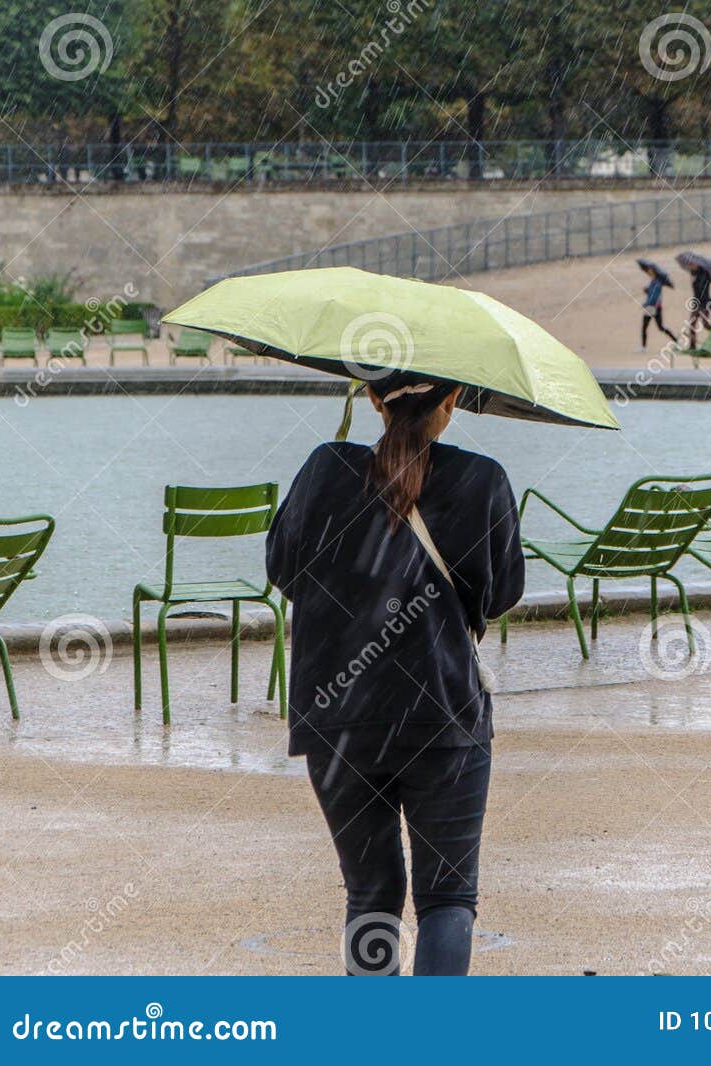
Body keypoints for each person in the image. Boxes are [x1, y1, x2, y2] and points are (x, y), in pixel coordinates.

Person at [266, 374, 525, 977]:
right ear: (452, 402)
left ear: (374, 399)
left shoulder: (325, 467)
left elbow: (282, 567)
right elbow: (502, 594)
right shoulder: (482, 479)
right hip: (442, 711)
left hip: (336, 715)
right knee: (447, 898)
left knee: (370, 893)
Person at [640, 265, 678, 350]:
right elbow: (652, 294)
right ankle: (676, 341)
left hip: (652, 307)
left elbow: (654, 297)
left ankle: (643, 348)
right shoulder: (654, 282)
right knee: (660, 327)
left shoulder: (656, 282)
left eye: (649, 270)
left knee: (646, 327)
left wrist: (646, 304)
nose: (648, 272)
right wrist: (647, 290)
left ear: (653, 272)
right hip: (656, 307)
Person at [685, 264, 711, 348]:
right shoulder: (693, 274)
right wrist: (692, 279)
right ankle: (692, 346)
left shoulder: (704, 273)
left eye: (691, 264)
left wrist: (695, 280)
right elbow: (695, 291)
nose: (690, 266)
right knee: (692, 324)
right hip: (697, 303)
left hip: (704, 303)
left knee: (705, 324)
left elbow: (702, 289)